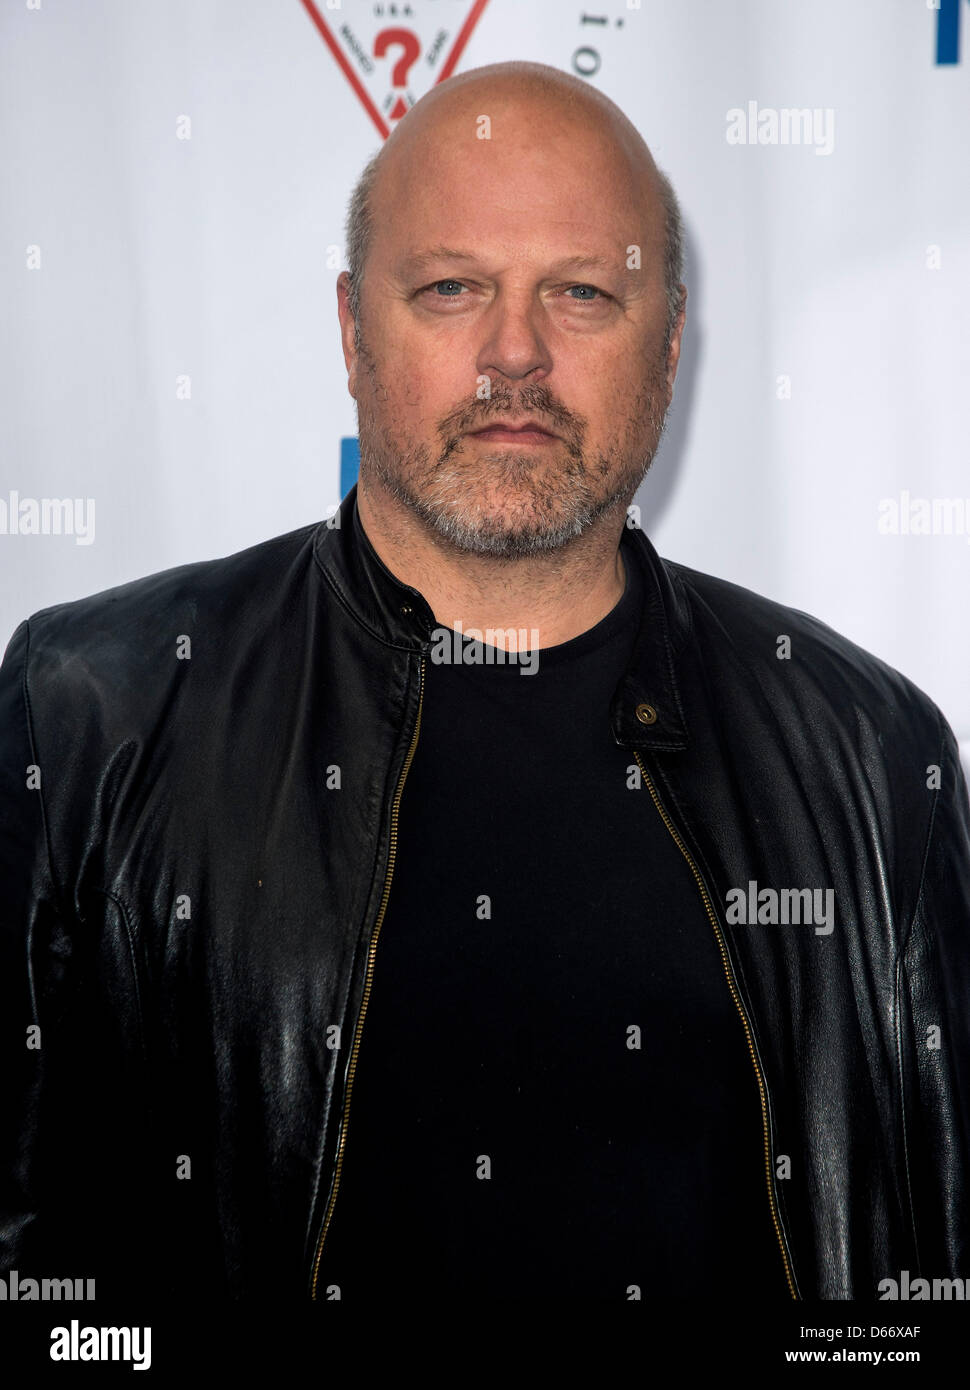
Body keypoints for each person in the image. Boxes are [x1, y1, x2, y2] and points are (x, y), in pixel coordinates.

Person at [1, 60, 967, 1305]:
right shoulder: (92, 712)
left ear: (669, 345)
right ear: (353, 329)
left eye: (579, 292)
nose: (513, 353)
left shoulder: (869, 753)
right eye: (451, 289)